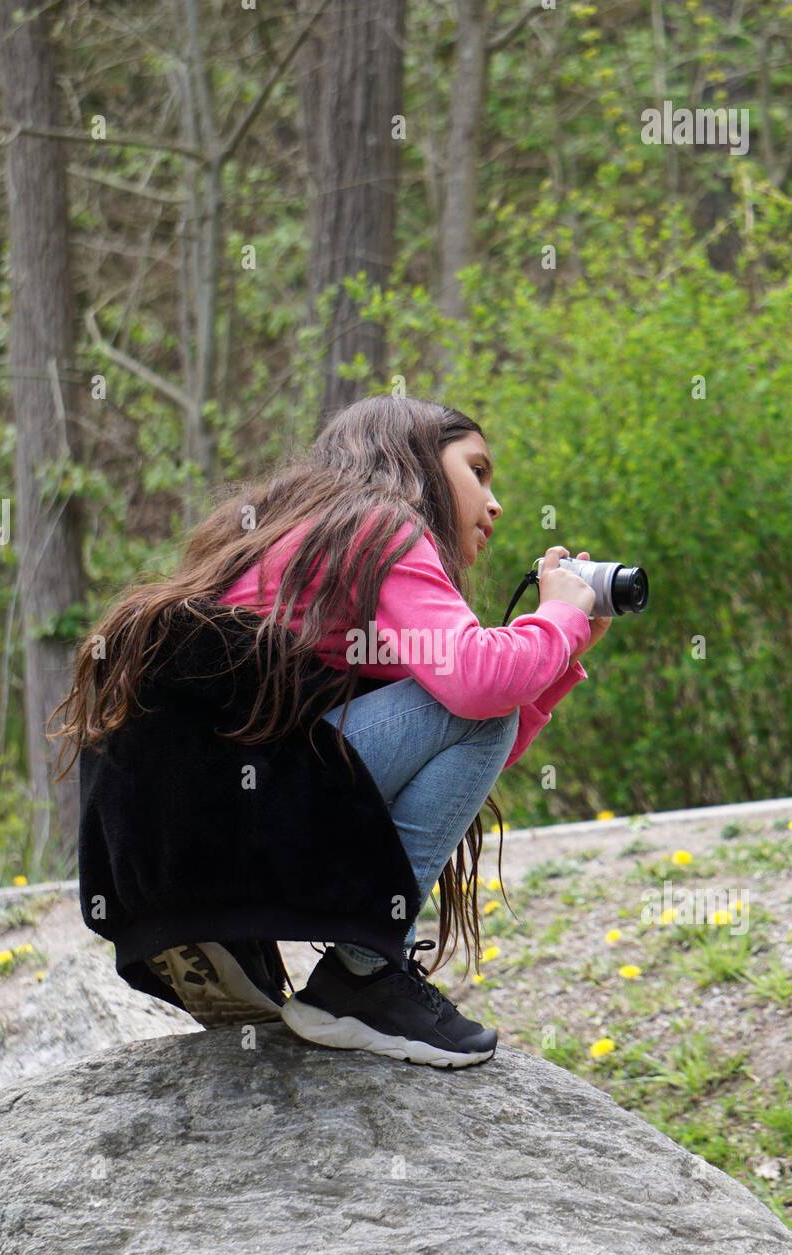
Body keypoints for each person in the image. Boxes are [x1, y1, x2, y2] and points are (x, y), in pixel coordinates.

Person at [51, 395, 610, 1069]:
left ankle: (222, 929)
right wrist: (557, 618)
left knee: (469, 714)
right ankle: (364, 972)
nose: (494, 504)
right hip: (237, 804)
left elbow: (462, 742)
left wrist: (561, 653)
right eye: (477, 471)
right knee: (473, 702)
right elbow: (476, 689)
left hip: (163, 831)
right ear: (417, 462)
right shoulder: (382, 528)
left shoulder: (290, 534)